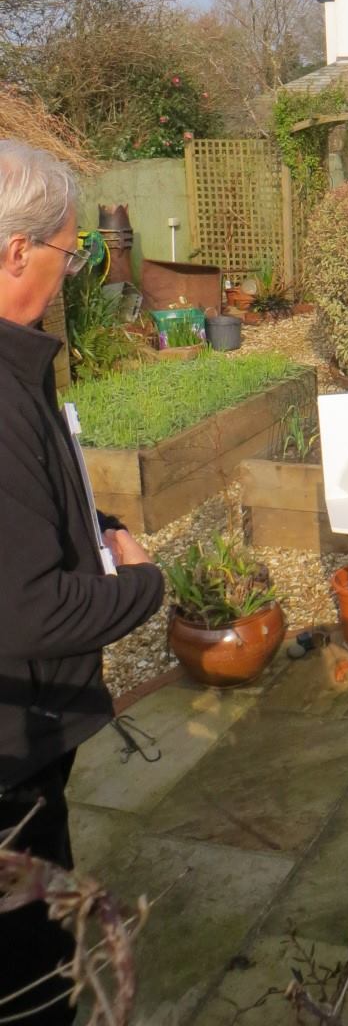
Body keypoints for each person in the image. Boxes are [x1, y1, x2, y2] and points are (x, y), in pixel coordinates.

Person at [0, 140, 164, 1025]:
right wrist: (142, 589)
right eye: (68, 254)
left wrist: (90, 529)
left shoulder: (17, 363)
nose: (71, 275)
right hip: (9, 757)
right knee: (32, 984)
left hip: (27, 742)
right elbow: (22, 610)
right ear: (15, 252)